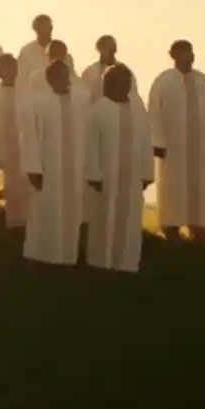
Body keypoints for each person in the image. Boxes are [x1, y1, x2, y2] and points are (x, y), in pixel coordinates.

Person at [148, 39, 205, 243]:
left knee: (201, 186)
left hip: (200, 147)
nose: (188, 57)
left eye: (190, 52)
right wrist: (157, 141)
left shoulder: (202, 81)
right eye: (183, 53)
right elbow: (154, 112)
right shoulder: (164, 81)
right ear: (174, 55)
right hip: (174, 147)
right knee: (174, 186)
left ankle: (200, 227)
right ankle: (171, 226)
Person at [86, 65, 154, 272]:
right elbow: (90, 144)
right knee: (105, 221)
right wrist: (93, 174)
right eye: (118, 82)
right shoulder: (99, 109)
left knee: (130, 221)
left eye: (126, 82)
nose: (123, 86)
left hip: (132, 179)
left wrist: (146, 173)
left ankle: (127, 263)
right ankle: (101, 263)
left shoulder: (137, 111)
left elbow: (145, 142)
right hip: (106, 179)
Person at [22, 60, 90, 266]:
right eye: (56, 76)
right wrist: (33, 168)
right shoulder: (37, 102)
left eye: (64, 75)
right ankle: (43, 255)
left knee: (72, 211)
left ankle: (69, 255)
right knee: (47, 211)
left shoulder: (81, 99)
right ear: (49, 79)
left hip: (75, 166)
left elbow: (89, 131)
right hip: (48, 169)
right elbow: (29, 137)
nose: (62, 80)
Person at [0, 54, 30, 229]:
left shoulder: (25, 94)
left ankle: (24, 223)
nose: (8, 72)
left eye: (12, 68)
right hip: (2, 149)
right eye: (4, 68)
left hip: (24, 150)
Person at [80, 35, 142, 105]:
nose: (109, 51)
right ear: (99, 49)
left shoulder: (125, 73)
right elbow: (84, 98)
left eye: (112, 48)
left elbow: (133, 97)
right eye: (106, 48)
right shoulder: (89, 73)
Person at [16, 14, 74, 88]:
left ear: (51, 28)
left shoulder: (62, 51)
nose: (44, 30)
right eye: (41, 27)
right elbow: (21, 78)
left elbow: (72, 79)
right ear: (35, 29)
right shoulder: (26, 52)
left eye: (46, 27)